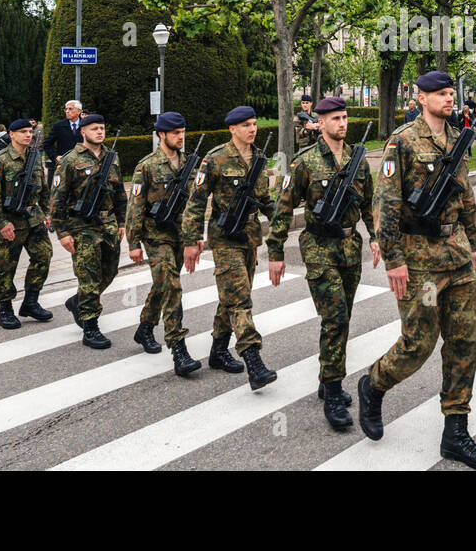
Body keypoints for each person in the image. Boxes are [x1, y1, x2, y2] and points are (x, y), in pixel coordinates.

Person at [357, 70, 476, 470]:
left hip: (456, 255)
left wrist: (473, 244)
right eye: (440, 93)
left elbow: (466, 195)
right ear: (421, 98)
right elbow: (385, 205)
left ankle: (456, 432)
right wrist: (395, 260)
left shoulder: (458, 138)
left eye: (452, 92)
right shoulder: (401, 142)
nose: (449, 98)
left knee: (464, 342)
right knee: (418, 343)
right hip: (419, 262)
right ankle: (374, 384)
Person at [266, 97, 378, 428]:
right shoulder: (305, 163)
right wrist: (275, 252)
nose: (343, 123)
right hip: (318, 247)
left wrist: (375, 237)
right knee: (335, 318)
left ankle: (326, 378)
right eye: (336, 118)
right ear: (322, 123)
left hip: (349, 245)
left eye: (345, 117)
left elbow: (369, 202)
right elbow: (282, 207)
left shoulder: (359, 160)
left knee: (344, 317)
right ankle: (332, 393)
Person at [181, 106, 277, 389]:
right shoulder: (215, 159)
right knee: (239, 299)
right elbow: (196, 202)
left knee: (232, 296)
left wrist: (280, 221)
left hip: (249, 236)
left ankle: (218, 350)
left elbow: (264, 200)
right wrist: (191, 240)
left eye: (255, 124)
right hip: (224, 238)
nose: (252, 129)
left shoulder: (259, 157)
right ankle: (253, 360)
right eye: (246, 125)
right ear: (232, 129)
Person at [125, 111, 201, 376]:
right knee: (172, 286)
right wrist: (133, 242)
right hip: (155, 236)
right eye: (175, 133)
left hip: (180, 234)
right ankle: (179, 349)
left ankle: (145, 328)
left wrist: (196, 237)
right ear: (161, 135)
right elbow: (135, 207)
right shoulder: (146, 166)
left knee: (163, 284)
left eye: (183, 132)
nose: (181, 137)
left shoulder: (190, 164)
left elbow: (197, 205)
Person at [49, 113, 127, 350]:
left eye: (102, 128)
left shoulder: (111, 158)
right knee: (89, 277)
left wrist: (122, 223)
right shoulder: (70, 160)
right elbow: (57, 199)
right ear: (83, 131)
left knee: (110, 271)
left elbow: (120, 193)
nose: (100, 132)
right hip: (81, 227)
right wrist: (62, 232)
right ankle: (90, 326)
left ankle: (78, 302)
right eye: (94, 128)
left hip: (108, 225)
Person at [0, 119, 53, 330]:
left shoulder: (34, 157)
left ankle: (30, 302)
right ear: (11, 135)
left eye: (30, 131)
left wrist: (47, 212)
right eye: (23, 132)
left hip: (33, 219)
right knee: (6, 266)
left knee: (44, 256)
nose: (28, 135)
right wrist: (0, 223)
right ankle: (5, 308)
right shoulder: (0, 160)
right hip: (10, 221)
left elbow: (43, 189)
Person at [47, 100, 86, 186]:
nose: (67, 111)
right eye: (66, 109)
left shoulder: (86, 126)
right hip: (63, 167)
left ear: (79, 111)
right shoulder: (58, 126)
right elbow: (47, 144)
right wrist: (55, 156)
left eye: (70, 109)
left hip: (82, 166)